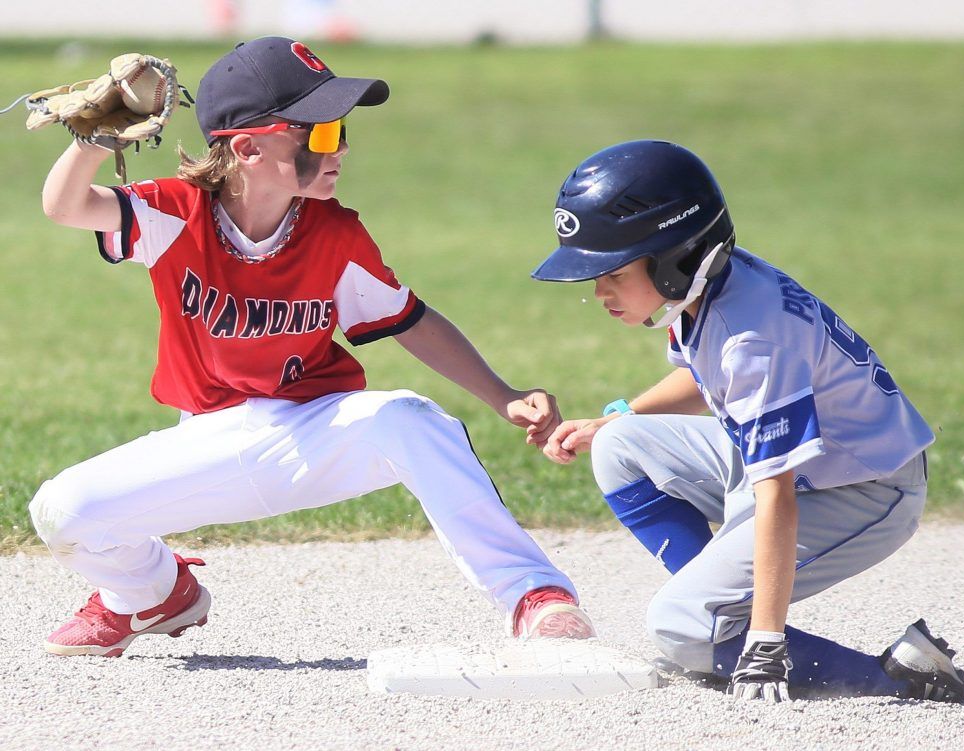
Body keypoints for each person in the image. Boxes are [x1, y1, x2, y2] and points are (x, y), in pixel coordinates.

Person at [28, 36, 595, 658]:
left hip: (312, 434)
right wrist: (91, 140)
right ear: (246, 147)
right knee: (61, 509)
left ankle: (536, 595)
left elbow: (408, 319)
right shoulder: (175, 213)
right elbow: (66, 206)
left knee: (409, 418)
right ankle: (151, 595)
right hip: (208, 443)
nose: (341, 147)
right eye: (318, 134)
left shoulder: (335, 233)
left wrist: (503, 396)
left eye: (340, 130)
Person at [529, 140, 964, 703]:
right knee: (618, 444)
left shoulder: (753, 340)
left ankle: (901, 675)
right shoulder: (708, 286)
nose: (599, 292)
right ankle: (716, 613)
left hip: (861, 489)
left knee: (676, 626)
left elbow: (778, 494)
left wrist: (765, 644)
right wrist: (617, 416)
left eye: (612, 272)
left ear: (672, 257)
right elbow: (705, 377)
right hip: (808, 466)